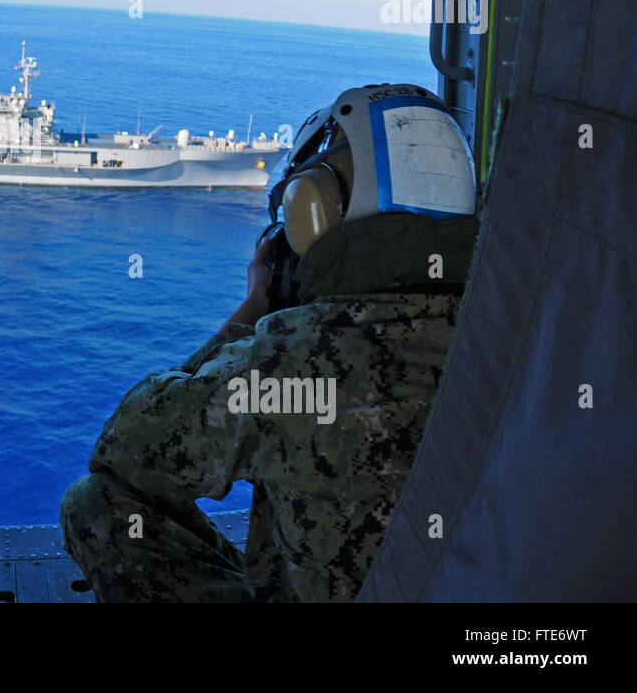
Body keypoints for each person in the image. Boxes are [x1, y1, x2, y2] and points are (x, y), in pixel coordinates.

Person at [60, 83, 480, 602]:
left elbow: (127, 449)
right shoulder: (519, 336)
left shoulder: (289, 361)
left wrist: (255, 308)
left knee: (94, 504)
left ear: (312, 213)